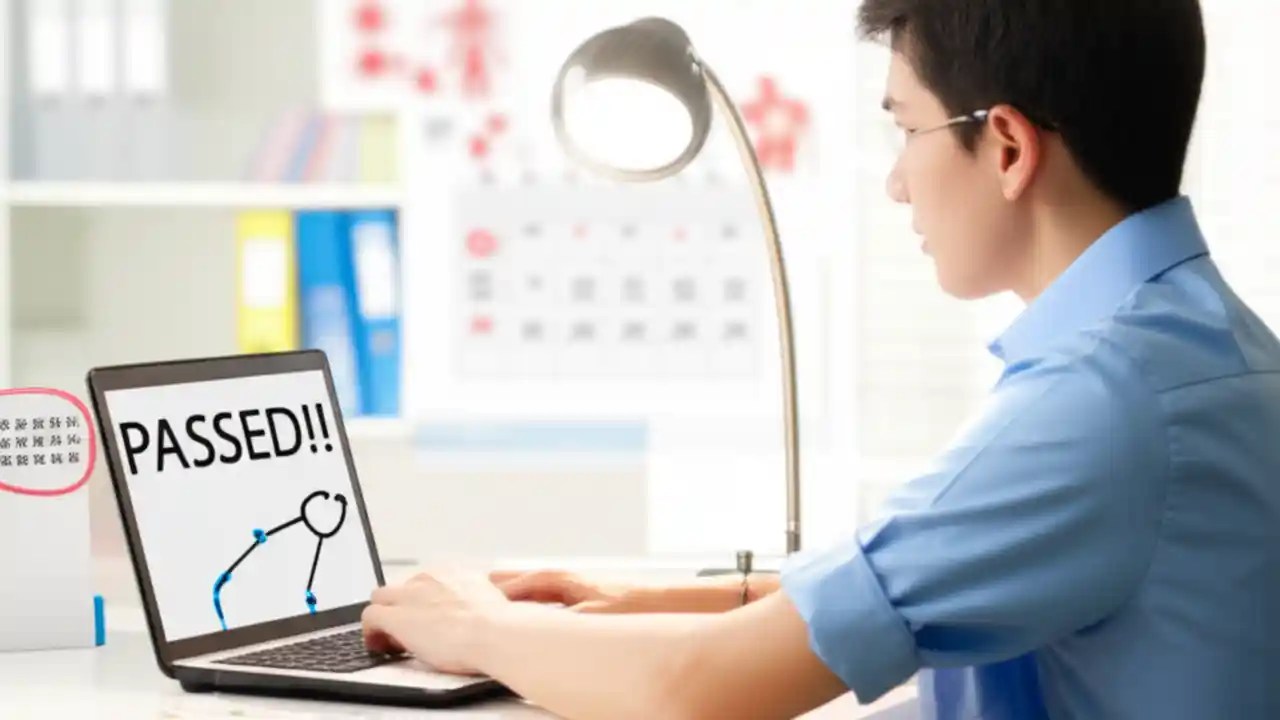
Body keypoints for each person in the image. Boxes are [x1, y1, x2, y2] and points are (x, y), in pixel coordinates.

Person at [361, 1, 1280, 717]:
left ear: (1005, 146)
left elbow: (694, 693)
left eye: (905, 128)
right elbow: (910, 580)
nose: (894, 180)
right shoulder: (1198, 349)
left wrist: (479, 629)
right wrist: (634, 598)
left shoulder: (1101, 403)